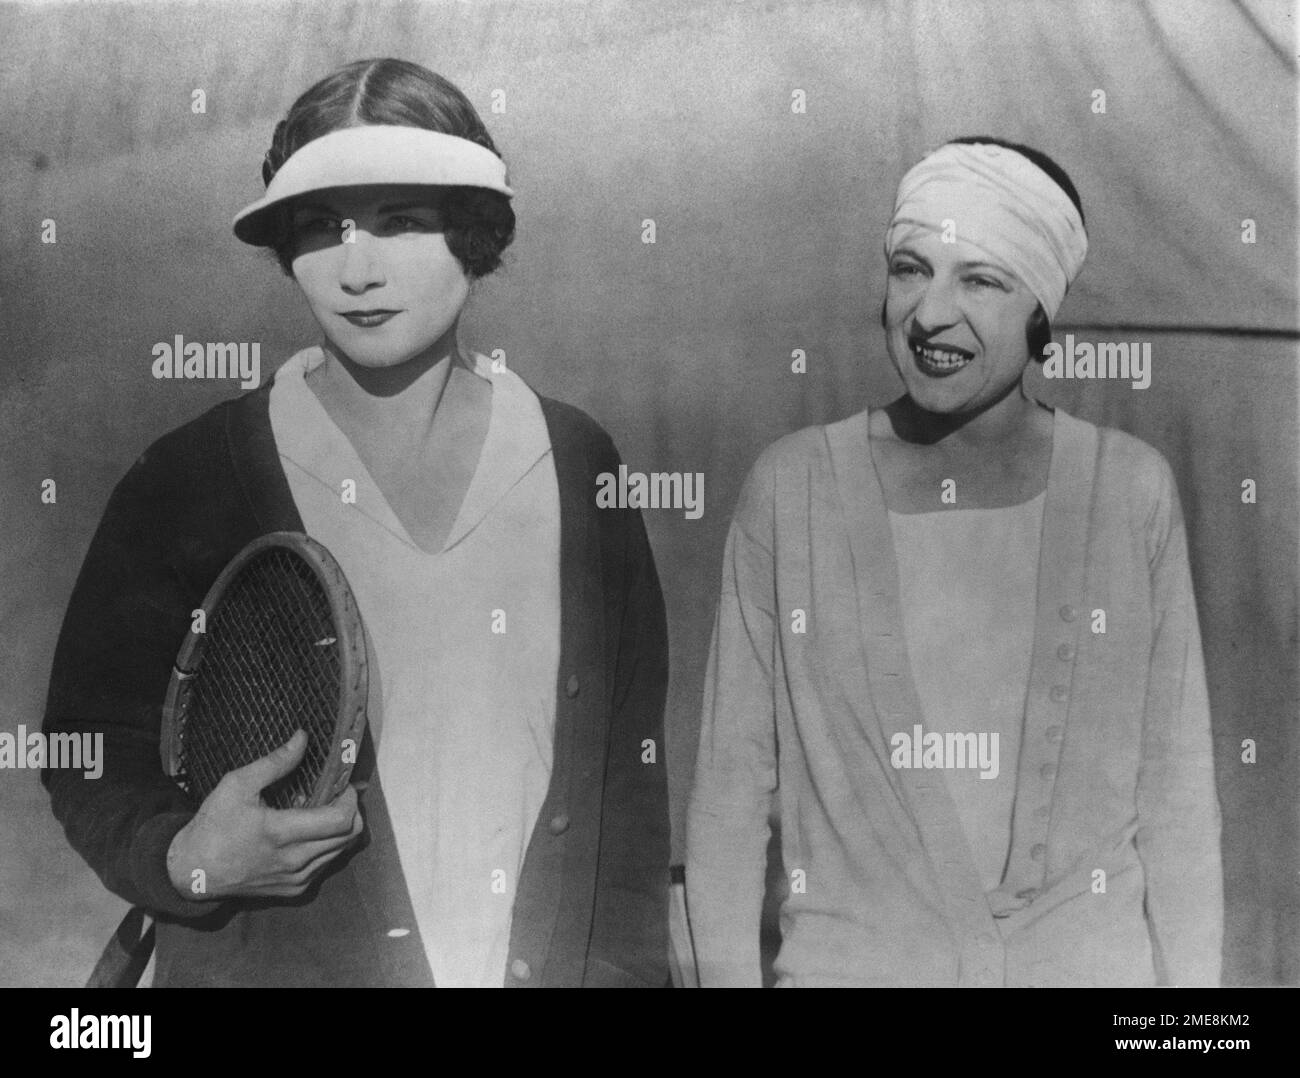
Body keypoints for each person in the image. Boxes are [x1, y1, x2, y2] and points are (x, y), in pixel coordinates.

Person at [42, 58, 669, 988]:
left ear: (475, 231)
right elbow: (86, 745)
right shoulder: (191, 477)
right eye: (320, 228)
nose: (358, 269)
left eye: (402, 220)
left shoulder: (574, 459)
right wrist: (187, 858)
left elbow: (627, 776)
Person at [685, 136, 1223, 987]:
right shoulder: (792, 489)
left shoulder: (1130, 492)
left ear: (1041, 310)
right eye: (910, 268)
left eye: (980, 279)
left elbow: (1178, 803)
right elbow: (727, 797)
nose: (931, 313)